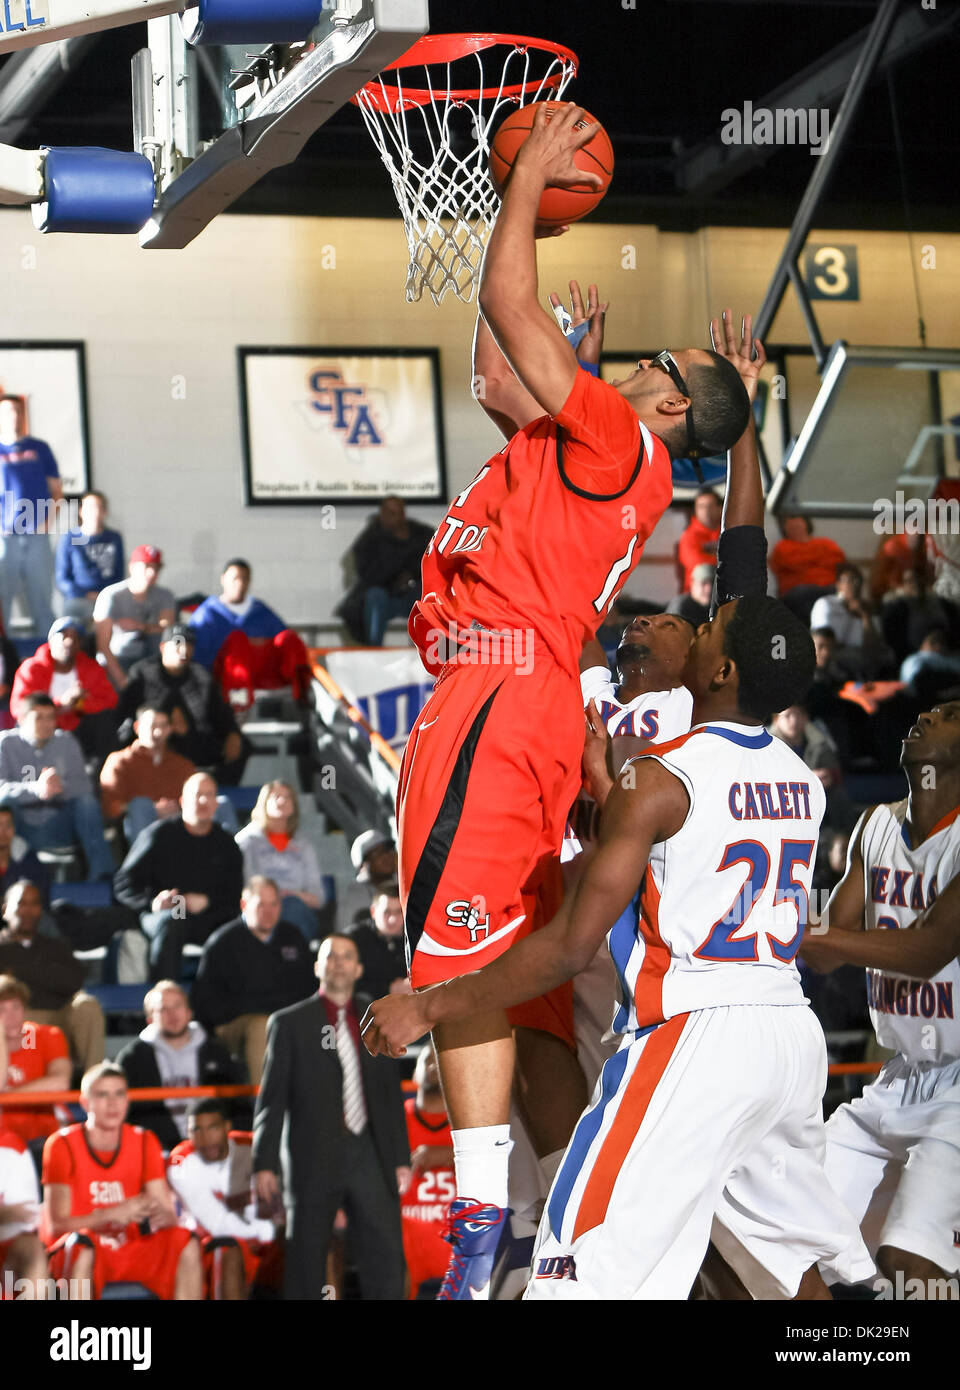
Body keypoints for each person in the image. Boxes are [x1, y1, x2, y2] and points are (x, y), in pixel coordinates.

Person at [393, 105, 750, 1297]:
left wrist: (525, 191)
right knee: (515, 981)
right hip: (516, 701)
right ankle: (529, 1221)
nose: (649, 361)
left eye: (663, 368)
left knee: (455, 962)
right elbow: (502, 364)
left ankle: (483, 1224)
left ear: (666, 406)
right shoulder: (584, 437)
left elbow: (511, 314)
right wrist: (559, 338)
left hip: (499, 698)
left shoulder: (614, 440)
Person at [363, 594, 873, 1301]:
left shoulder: (662, 776)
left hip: (693, 1038)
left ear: (720, 670)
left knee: (573, 1274)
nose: (691, 632)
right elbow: (697, 852)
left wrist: (428, 1006)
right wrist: (610, 793)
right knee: (785, 1274)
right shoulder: (798, 781)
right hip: (787, 1037)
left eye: (704, 631)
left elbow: (571, 948)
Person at [799, 700, 960, 1298]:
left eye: (947, 716)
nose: (926, 717)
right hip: (895, 1078)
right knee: (795, 1244)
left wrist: (812, 932)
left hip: (958, 1083)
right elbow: (827, 949)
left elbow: (929, 951)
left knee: (910, 1267)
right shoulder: (877, 824)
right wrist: (797, 928)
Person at [253, 933, 409, 1301]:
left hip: (369, 1151)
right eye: (330, 956)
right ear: (317, 966)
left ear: (358, 968)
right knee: (306, 1262)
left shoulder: (379, 1016)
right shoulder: (288, 1023)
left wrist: (400, 1158)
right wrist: (264, 1162)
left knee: (385, 1257)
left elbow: (390, 1095)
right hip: (310, 1157)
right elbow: (271, 1101)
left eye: (346, 956)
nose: (338, 962)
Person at [41, 1062, 202, 1300]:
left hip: (128, 1246)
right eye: (102, 1094)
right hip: (82, 1247)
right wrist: (111, 1214)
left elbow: (167, 1215)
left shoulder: (144, 1140)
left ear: (127, 1100)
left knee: (184, 1241)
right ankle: (77, 1335)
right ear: (85, 1103)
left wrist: (156, 1212)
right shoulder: (61, 1144)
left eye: (119, 1094)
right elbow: (57, 1226)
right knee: (82, 1246)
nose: (112, 1103)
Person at [113, 771, 244, 982]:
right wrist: (153, 903)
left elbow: (236, 894)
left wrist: (208, 900)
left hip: (211, 914)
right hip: (168, 912)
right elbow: (123, 884)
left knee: (242, 929)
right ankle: (164, 995)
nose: (203, 800)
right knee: (174, 920)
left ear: (216, 803)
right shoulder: (158, 835)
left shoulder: (227, 844)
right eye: (197, 794)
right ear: (182, 801)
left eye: (209, 795)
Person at [191, 877, 316, 1086]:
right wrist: (265, 1008)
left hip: (286, 1020)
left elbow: (309, 988)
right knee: (263, 1026)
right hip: (233, 1025)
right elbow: (207, 1005)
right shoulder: (222, 943)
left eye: (274, 904)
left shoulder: (292, 936)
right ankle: (265, 1109)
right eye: (261, 905)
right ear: (244, 905)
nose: (268, 911)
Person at [168, 1100, 280, 1300]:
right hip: (208, 1248)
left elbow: (277, 1204)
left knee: (316, 1240)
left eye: (213, 1128)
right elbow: (217, 1224)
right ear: (188, 1133)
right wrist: (262, 1232)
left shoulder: (251, 1147)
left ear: (227, 1127)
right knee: (227, 1246)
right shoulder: (181, 1161)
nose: (205, 1138)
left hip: (262, 1243)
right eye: (197, 1130)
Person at [115, 981, 243, 1152]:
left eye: (177, 1006)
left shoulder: (217, 1052)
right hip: (157, 1149)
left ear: (189, 1012)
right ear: (150, 1019)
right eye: (163, 1009)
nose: (172, 1014)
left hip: (215, 1148)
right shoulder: (132, 1058)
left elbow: (239, 1104)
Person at [115, 625, 248, 785]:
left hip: (195, 741)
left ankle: (213, 792)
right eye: (178, 644)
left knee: (242, 744)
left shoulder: (202, 677)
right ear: (163, 647)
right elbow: (122, 713)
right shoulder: (142, 674)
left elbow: (220, 714)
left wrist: (233, 733)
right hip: (152, 739)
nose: (184, 650)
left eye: (189, 645)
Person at [0, 694, 113, 880]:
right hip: (19, 826)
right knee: (4, 801)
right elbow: (1, 789)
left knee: (87, 802)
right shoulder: (5, 743)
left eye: (51, 717)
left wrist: (58, 787)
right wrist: (36, 789)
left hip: (59, 823)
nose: (46, 724)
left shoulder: (66, 742)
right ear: (21, 719)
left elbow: (84, 786)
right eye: (39, 717)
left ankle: (103, 876)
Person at [0, 881, 104, 1072]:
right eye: (22, 903)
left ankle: (96, 1082)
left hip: (58, 1016)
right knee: (20, 1017)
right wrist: (46, 972)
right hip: (16, 1021)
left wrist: (20, 970)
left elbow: (74, 981)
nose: (29, 911)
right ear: (5, 909)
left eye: (35, 904)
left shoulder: (56, 946)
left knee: (88, 1006)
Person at [99, 703, 236, 845]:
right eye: (153, 726)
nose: (158, 732)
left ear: (170, 729)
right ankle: (144, 863)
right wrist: (152, 808)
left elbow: (196, 797)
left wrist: (178, 806)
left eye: (163, 726)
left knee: (222, 803)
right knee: (140, 804)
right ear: (137, 727)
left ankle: (230, 858)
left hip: (182, 821)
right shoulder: (120, 760)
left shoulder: (182, 764)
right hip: (142, 825)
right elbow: (110, 807)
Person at [188, 559, 310, 709]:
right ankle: (238, 709)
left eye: (244, 578)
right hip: (226, 679)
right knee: (237, 640)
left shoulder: (260, 610)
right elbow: (197, 658)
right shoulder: (207, 614)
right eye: (235, 579)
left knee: (289, 638)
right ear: (223, 580)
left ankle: (303, 702)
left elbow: (282, 639)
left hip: (265, 675)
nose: (239, 584)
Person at [11, 617, 118, 764]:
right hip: (43, 727)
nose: (69, 642)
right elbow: (20, 707)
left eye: (75, 638)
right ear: (51, 640)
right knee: (33, 721)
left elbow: (110, 700)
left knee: (104, 722)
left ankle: (100, 775)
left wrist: (78, 704)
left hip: (79, 728)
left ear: (81, 644)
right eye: (63, 636)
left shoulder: (91, 668)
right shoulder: (32, 668)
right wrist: (61, 703)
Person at [0, 394, 60, 640]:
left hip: (36, 536)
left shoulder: (39, 448)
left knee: (41, 600)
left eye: (17, 410)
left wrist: (46, 522)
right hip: (5, 539)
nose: (13, 415)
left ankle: (49, 659)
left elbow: (56, 491)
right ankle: (5, 666)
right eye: (7, 411)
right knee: (2, 602)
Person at [234, 782, 325, 943]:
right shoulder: (247, 841)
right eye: (276, 796)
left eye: (287, 797)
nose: (282, 801)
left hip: (297, 911)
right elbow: (247, 886)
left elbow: (318, 897)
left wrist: (291, 895)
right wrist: (274, 898)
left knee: (292, 907)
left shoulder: (303, 846)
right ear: (263, 803)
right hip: (258, 908)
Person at [339, 497, 436, 645]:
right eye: (392, 513)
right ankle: (374, 649)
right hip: (385, 597)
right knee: (375, 596)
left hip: (414, 593)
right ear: (382, 515)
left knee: (431, 594)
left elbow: (436, 562)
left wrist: (411, 575)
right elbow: (368, 576)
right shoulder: (369, 540)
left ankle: (429, 651)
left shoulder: (422, 534)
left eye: (400, 512)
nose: (397, 517)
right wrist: (394, 575)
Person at [401, 1046, 455, 1300]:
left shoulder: (469, 1122)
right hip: (406, 1246)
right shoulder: (394, 1121)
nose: (434, 1065)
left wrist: (449, 1154)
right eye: (427, 1060)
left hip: (458, 1242)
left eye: (441, 1059)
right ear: (414, 1074)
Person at [0, 973, 71, 1152]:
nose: (11, 1016)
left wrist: (10, 1095)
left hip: (43, 1136)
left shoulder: (46, 1035)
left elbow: (60, 1083)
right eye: (1, 1009)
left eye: (16, 1007)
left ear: (24, 1009)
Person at [93, 545, 176, 687]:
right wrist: (122, 681)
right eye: (146, 566)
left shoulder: (164, 595)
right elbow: (103, 646)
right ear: (132, 567)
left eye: (156, 568)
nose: (151, 572)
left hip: (150, 659)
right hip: (117, 658)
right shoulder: (111, 595)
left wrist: (140, 627)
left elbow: (167, 628)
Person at [54, 490, 125, 628]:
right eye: (90, 507)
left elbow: (119, 573)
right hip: (78, 598)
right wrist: (86, 594)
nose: (95, 511)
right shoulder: (69, 538)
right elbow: (62, 579)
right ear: (81, 511)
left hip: (107, 597)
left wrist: (102, 595)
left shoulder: (114, 538)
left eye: (99, 507)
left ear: (104, 512)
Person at [0, 1124, 48, 1298]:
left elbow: (23, 1216)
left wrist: (6, 1215)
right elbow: (10, 1213)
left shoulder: (11, 1145)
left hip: (6, 1249)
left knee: (32, 1247)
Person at [769, 514, 846, 622]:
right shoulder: (782, 546)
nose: (794, 525)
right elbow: (792, 564)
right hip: (798, 594)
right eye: (790, 523)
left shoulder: (826, 543)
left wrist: (807, 561)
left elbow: (840, 563)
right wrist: (817, 560)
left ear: (806, 523)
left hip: (829, 589)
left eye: (798, 521)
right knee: (802, 597)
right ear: (784, 529)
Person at [342, 881, 408, 1002]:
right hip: (364, 1009)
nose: (392, 919)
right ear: (373, 912)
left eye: (399, 912)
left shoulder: (415, 938)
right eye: (386, 912)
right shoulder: (353, 940)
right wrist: (388, 989)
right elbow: (341, 982)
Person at [0, 805, 50, 904]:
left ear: (15, 828)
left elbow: (41, 901)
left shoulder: (30, 861)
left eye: (8, 825)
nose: (2, 832)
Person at [676, 488, 721, 590]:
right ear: (695, 510)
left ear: (720, 508)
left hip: (726, 595)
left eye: (710, 506)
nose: (706, 510)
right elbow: (698, 564)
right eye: (701, 506)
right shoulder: (688, 535)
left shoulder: (729, 532)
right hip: (696, 596)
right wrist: (727, 562)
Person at [666, 561, 715, 629]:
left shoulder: (720, 607)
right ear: (692, 584)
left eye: (713, 584)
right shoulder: (681, 606)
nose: (709, 589)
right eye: (703, 583)